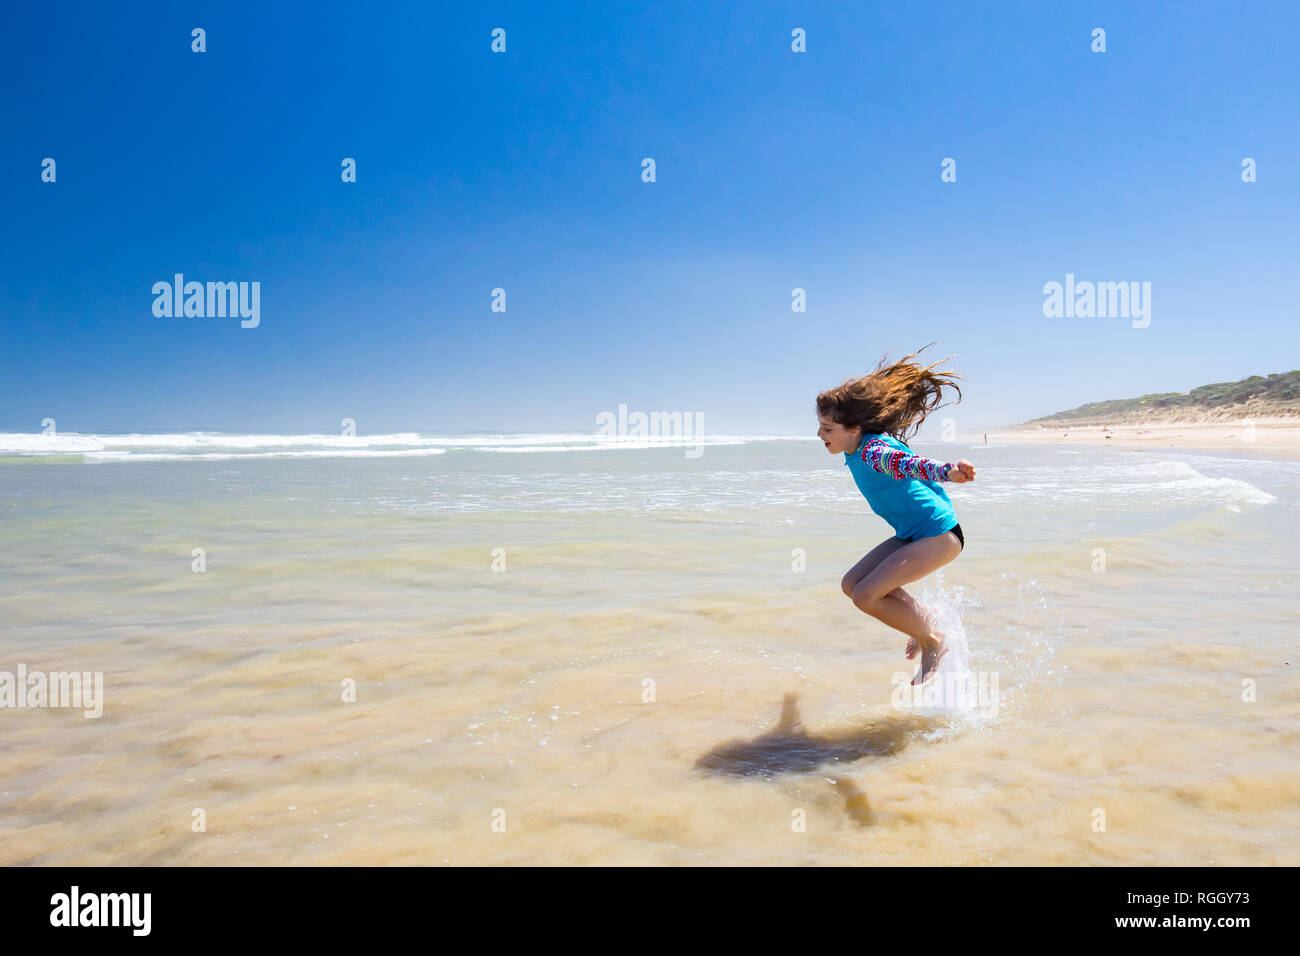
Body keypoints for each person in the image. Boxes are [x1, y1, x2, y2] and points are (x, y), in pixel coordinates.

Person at [815, 346, 976, 684]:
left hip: (938, 536)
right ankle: (922, 617)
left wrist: (950, 472)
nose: (820, 435)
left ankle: (932, 641)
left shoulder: (874, 451)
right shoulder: (856, 447)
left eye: (827, 428)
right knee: (851, 585)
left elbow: (910, 465)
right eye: (820, 427)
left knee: (866, 596)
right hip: (913, 533)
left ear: (853, 428)